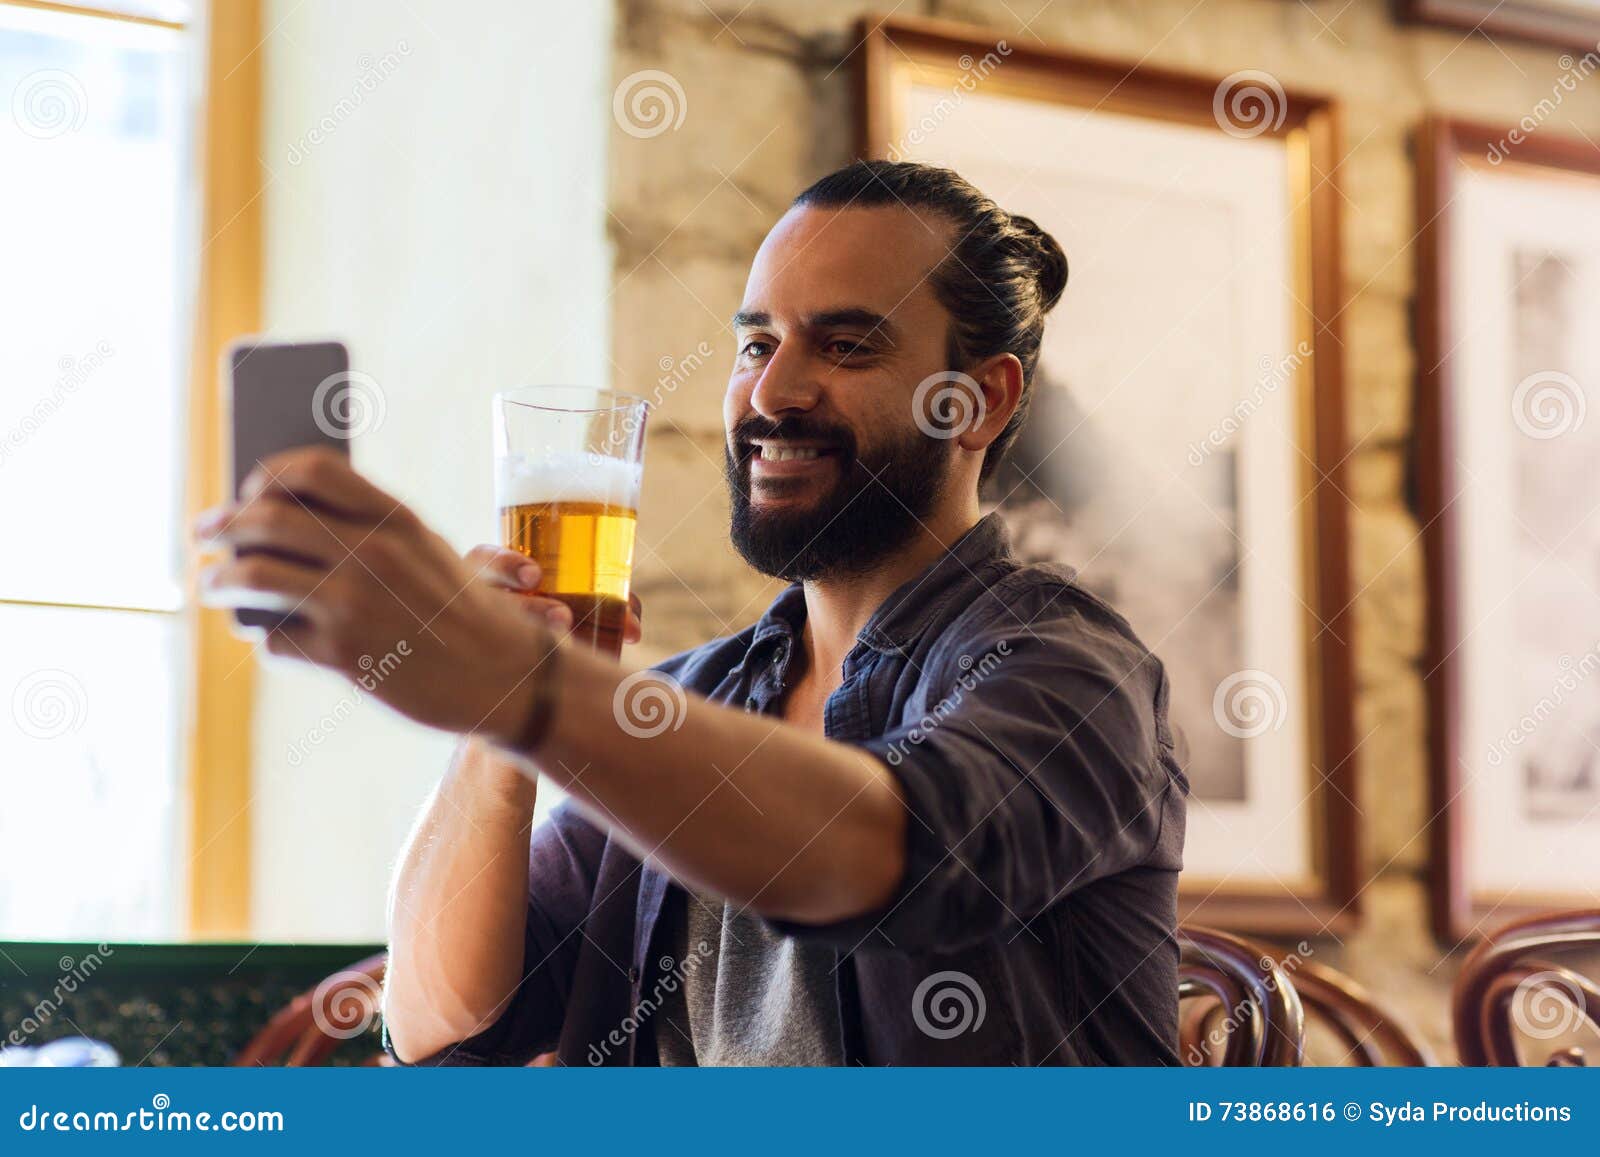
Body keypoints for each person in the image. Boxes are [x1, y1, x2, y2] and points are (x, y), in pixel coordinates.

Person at [196, 160, 1188, 1066]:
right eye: (756, 341)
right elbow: (444, 1020)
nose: (773, 389)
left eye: (844, 344)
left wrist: (526, 686)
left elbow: (882, 853)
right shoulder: (692, 698)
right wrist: (496, 728)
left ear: (978, 400)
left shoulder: (1069, 671)